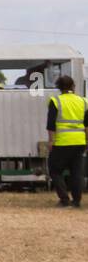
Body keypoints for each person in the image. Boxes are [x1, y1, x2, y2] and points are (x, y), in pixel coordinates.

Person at [47, 75, 86, 208]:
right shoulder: (84, 101)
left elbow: (51, 124)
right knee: (76, 172)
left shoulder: (56, 101)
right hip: (80, 141)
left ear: (59, 87)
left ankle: (64, 200)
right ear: (73, 86)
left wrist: (51, 141)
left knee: (55, 170)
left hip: (62, 142)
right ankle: (77, 201)